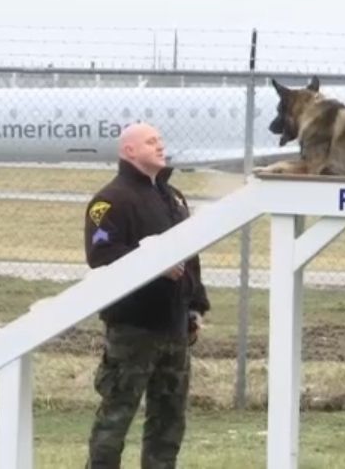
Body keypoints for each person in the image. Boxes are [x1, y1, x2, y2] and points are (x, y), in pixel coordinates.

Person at [83, 122, 210, 469]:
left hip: (174, 327)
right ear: (129, 151)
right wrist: (151, 264)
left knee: (169, 421)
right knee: (116, 415)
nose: (160, 146)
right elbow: (101, 256)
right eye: (150, 141)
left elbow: (191, 254)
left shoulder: (173, 197)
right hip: (132, 328)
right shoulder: (111, 200)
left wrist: (196, 306)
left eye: (160, 140)